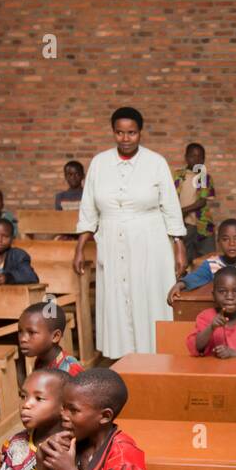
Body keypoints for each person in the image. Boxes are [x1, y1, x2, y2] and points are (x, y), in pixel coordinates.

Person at [71, 106, 187, 358]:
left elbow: (170, 206)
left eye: (131, 133)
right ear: (113, 132)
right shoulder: (100, 163)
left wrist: (179, 246)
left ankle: (156, 356)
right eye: (120, 133)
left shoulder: (156, 162)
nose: (125, 139)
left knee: (149, 294)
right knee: (117, 298)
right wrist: (79, 248)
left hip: (150, 239)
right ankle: (125, 360)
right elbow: (88, 208)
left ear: (140, 133)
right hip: (112, 239)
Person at [38, 368, 180, 470]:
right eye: (63, 407)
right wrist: (41, 461)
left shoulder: (123, 454)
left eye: (73, 410)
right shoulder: (73, 447)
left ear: (105, 416)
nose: (64, 415)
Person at [187, 268, 236, 359]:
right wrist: (211, 327)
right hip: (210, 371)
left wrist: (233, 354)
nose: (229, 297)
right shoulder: (205, 317)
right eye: (222, 291)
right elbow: (196, 347)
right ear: (214, 296)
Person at [174, 141, 216, 263]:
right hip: (183, 225)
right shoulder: (177, 175)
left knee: (208, 261)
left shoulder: (204, 177)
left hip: (203, 226)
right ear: (186, 157)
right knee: (184, 261)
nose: (197, 159)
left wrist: (181, 211)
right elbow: (171, 197)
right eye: (193, 156)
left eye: (200, 157)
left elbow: (201, 202)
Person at [17, 301, 83, 376]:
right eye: (20, 331)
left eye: (32, 332)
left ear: (55, 336)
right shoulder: (41, 361)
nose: (23, 339)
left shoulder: (70, 370)